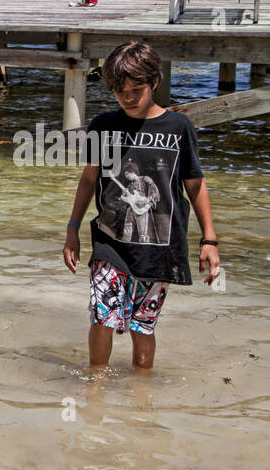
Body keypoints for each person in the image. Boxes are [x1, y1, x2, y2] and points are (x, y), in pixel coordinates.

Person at [62, 40, 220, 370]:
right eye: (120, 91)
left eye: (136, 89)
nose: (128, 98)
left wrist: (209, 240)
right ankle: (96, 387)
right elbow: (89, 180)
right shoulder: (103, 126)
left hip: (158, 248)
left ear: (155, 83)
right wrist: (73, 228)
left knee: (142, 325)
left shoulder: (179, 128)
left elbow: (195, 184)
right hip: (109, 243)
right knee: (101, 315)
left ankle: (140, 396)